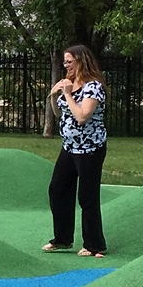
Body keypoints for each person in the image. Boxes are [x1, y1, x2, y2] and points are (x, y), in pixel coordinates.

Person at [43, 44, 108, 257]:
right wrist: (54, 96)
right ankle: (62, 239)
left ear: (81, 61)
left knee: (87, 196)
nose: (66, 65)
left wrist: (68, 94)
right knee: (58, 189)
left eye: (70, 61)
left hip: (90, 149)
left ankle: (94, 244)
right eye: (65, 62)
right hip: (69, 148)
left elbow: (82, 117)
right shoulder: (69, 83)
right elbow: (60, 114)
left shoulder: (93, 87)